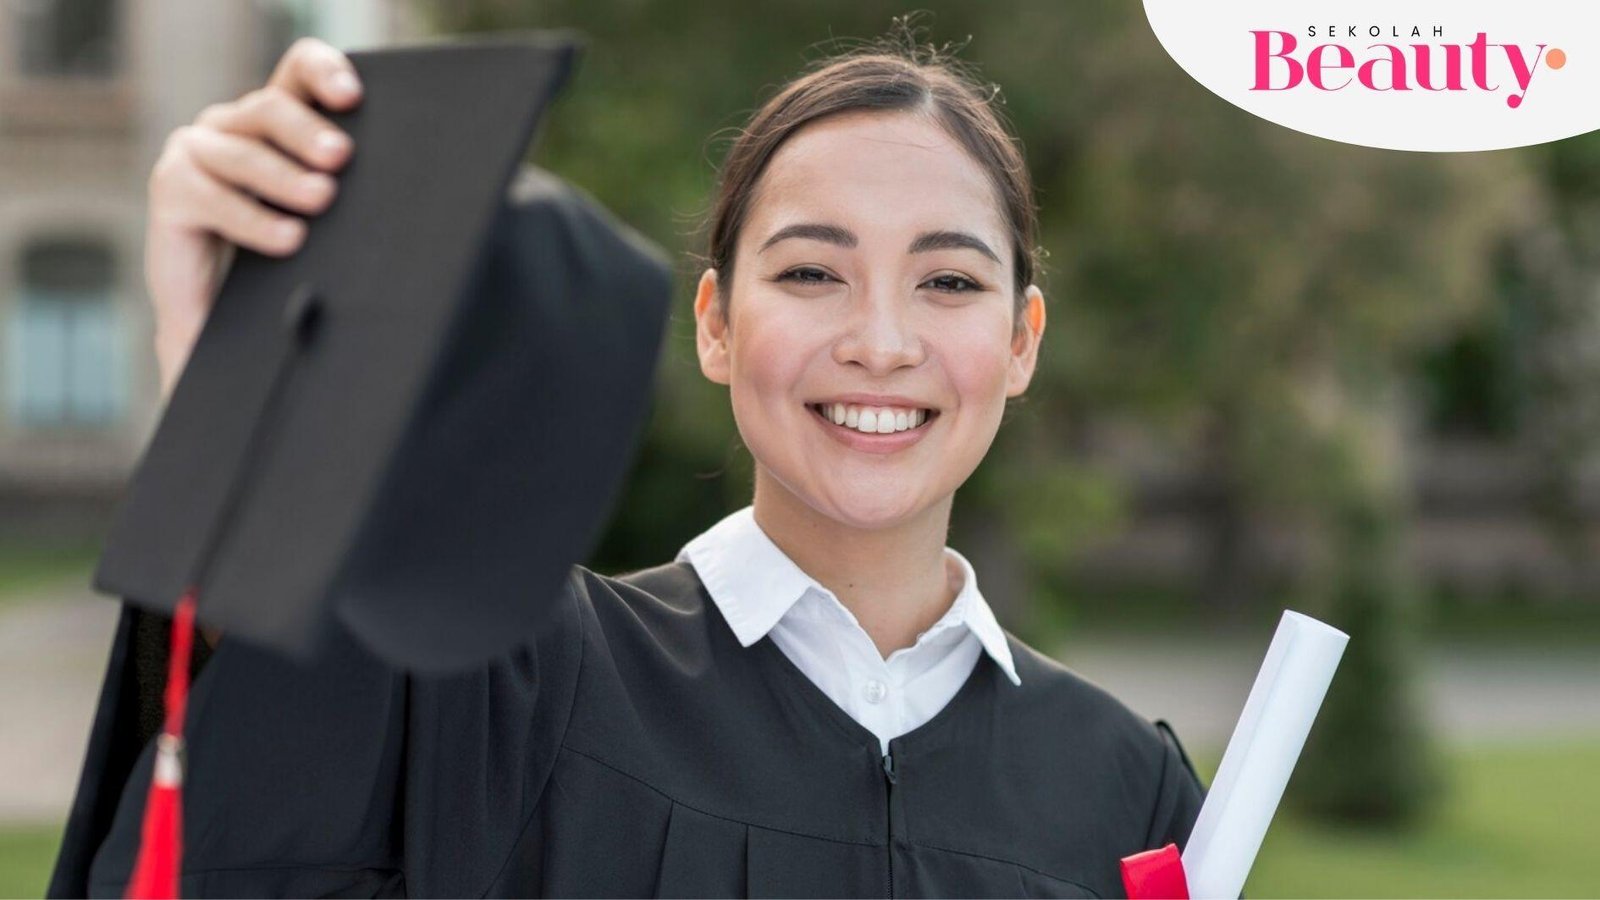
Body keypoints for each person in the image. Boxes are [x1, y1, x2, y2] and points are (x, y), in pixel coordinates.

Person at [51, 26, 1207, 899]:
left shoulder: (1125, 793)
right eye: (811, 272)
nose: (881, 341)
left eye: (949, 281)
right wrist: (238, 373)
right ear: (714, 323)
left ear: (1020, 342)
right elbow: (237, 842)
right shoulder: (504, 680)